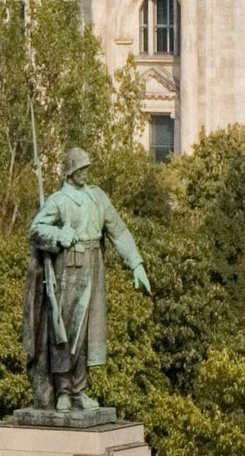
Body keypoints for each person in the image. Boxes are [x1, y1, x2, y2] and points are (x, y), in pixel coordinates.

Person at [22, 147, 151, 412]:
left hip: (95, 265)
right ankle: (64, 392)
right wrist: (58, 235)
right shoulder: (58, 201)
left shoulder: (97, 198)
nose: (84, 173)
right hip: (69, 266)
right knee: (65, 332)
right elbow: (35, 229)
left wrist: (136, 263)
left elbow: (119, 231)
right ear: (69, 171)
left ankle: (80, 392)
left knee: (87, 330)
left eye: (86, 168)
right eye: (79, 169)